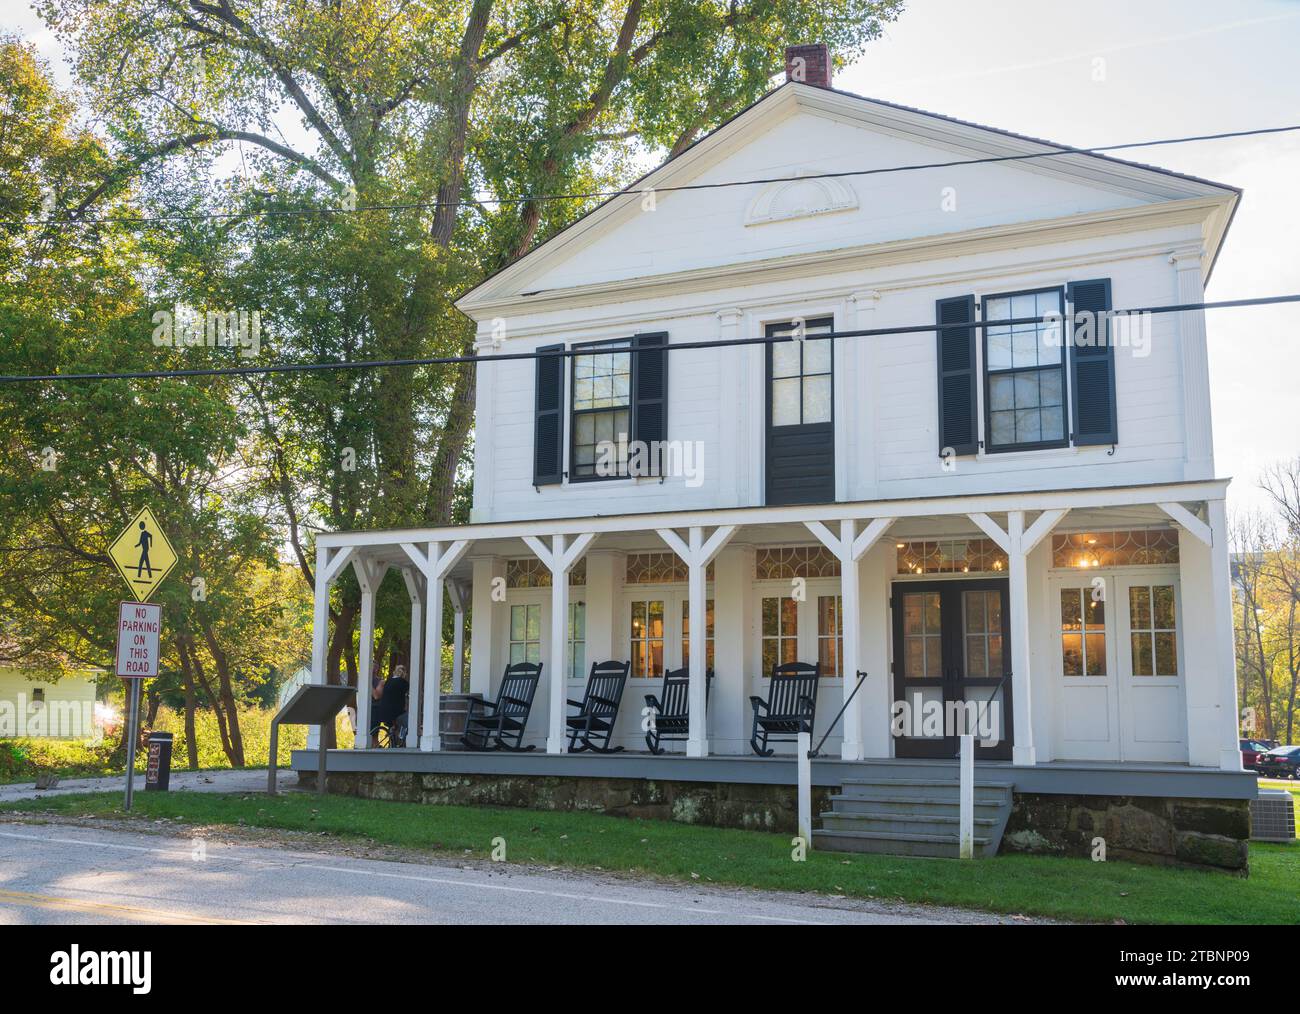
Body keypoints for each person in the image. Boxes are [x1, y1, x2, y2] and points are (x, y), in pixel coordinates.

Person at [369, 664, 410, 747]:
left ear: (394, 672)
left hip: (383, 711)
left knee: (394, 721)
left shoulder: (387, 681)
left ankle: (393, 735)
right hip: (395, 712)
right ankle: (400, 740)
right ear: (404, 674)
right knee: (410, 720)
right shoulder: (404, 683)